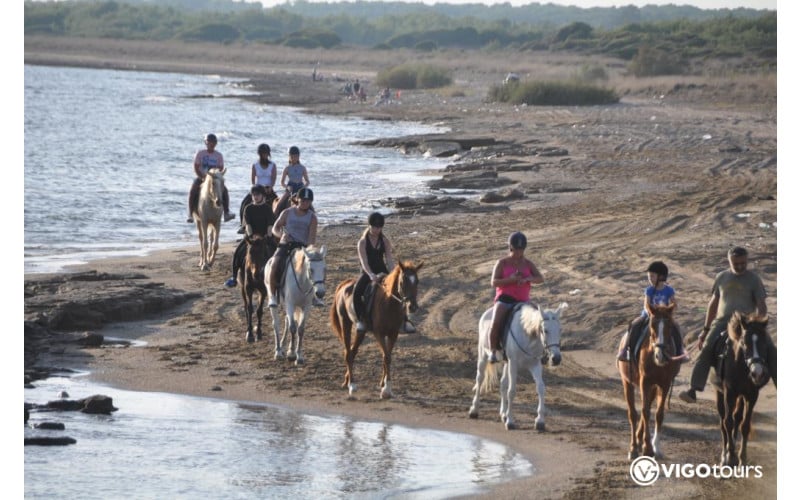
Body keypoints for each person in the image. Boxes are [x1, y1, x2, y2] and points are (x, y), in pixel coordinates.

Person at [678, 246, 774, 403]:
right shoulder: (721, 277)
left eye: (743, 263)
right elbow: (713, 305)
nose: (740, 266)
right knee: (707, 348)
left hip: (747, 324)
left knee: (771, 349)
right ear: (729, 261)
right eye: (736, 263)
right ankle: (693, 389)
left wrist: (759, 323)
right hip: (723, 322)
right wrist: (705, 330)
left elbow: (761, 304)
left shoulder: (754, 279)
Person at [486, 231, 544, 363]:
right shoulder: (502, 263)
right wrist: (510, 280)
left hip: (523, 301)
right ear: (510, 248)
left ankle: (541, 350)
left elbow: (540, 278)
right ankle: (493, 351)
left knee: (540, 319)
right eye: (516, 249)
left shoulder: (528, 263)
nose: (519, 253)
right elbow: (493, 282)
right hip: (505, 299)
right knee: (496, 322)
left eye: (521, 250)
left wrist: (528, 278)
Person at [616, 261, 687, 362]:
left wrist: (670, 311)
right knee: (634, 325)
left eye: (652, 276)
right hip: (648, 315)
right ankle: (625, 350)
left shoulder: (669, 290)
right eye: (649, 276)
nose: (649, 279)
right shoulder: (649, 290)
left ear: (661, 276)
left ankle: (681, 350)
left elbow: (674, 303)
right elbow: (646, 304)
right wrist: (650, 313)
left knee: (676, 327)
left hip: (664, 316)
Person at [267, 187, 318, 307]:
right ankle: (273, 295)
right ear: (297, 199)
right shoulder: (287, 212)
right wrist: (281, 235)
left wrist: (309, 250)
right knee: (275, 262)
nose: (305, 203)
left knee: (316, 266)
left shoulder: (312, 217)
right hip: (286, 244)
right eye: (303, 200)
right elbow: (275, 228)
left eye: (308, 201)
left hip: (302, 247)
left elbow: (312, 237)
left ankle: (314, 296)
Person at [224, 184, 276, 288]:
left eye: (257, 194)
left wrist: (267, 237)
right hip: (251, 238)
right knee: (237, 253)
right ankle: (234, 277)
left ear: (262, 195)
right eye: (253, 195)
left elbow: (270, 225)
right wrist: (251, 237)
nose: (255, 197)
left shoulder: (268, 208)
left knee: (277, 253)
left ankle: (277, 277)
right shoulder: (248, 208)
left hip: (265, 236)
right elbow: (248, 225)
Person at [187, 133, 235, 223]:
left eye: (213, 142)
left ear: (216, 143)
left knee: (224, 190)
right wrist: (202, 177)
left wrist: (215, 178)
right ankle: (190, 213)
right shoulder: (200, 154)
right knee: (193, 190)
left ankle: (226, 212)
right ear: (206, 143)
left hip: (214, 179)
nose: (211, 144)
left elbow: (220, 169)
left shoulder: (219, 155)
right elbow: (196, 167)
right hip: (202, 177)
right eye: (209, 142)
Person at [238, 143, 277, 234]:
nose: (265, 155)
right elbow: (252, 180)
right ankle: (243, 225)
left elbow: (274, 178)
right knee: (244, 203)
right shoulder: (255, 165)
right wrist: (256, 188)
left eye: (266, 153)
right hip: (258, 189)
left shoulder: (272, 165)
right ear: (260, 154)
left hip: (268, 189)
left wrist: (270, 187)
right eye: (263, 153)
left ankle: (277, 224)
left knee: (278, 204)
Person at [275, 145, 310, 216]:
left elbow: (307, 181)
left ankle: (313, 219)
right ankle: (274, 219)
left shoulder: (302, 168)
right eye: (292, 156)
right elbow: (282, 182)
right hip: (290, 187)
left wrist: (304, 187)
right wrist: (287, 187)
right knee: (279, 204)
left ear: (298, 156)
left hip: (300, 187)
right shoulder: (287, 168)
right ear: (289, 157)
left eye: (296, 156)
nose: (294, 158)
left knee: (310, 205)